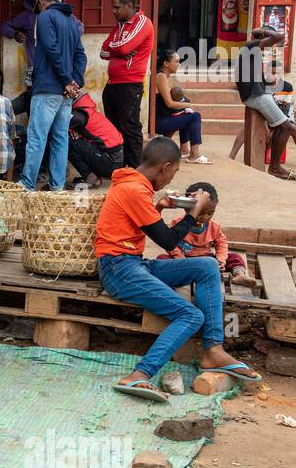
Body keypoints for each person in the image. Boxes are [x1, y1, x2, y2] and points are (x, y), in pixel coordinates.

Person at [95, 137, 262, 402]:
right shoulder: (135, 190)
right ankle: (140, 374)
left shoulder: (135, 184)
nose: (172, 179)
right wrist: (193, 212)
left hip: (134, 263)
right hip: (119, 269)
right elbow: (169, 241)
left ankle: (213, 349)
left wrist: (160, 206)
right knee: (191, 315)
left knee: (207, 265)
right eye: (174, 172)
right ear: (165, 166)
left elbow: (138, 222)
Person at [233, 27, 296, 180]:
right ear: (262, 39)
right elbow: (278, 36)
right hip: (256, 96)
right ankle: (275, 167)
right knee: (287, 127)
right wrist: (264, 31)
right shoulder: (251, 46)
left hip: (258, 94)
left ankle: (276, 166)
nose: (269, 48)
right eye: (268, 43)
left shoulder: (251, 50)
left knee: (284, 127)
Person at [21, 0, 84, 191]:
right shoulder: (73, 22)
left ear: (41, 3)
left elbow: (50, 48)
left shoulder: (46, 16)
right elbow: (80, 55)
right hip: (66, 94)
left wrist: (66, 80)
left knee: (37, 137)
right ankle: (57, 186)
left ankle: (27, 184)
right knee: (60, 138)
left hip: (48, 88)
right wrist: (75, 82)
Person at [157, 181, 260, 291]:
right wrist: (180, 259)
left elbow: (221, 243)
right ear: (187, 209)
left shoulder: (214, 226)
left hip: (207, 260)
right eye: (200, 213)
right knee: (162, 259)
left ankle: (239, 275)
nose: (205, 217)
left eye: (210, 213)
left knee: (234, 257)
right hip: (184, 260)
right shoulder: (178, 224)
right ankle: (174, 279)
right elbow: (171, 245)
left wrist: (221, 260)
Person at [100, 0, 155, 169]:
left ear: (129, 5)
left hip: (130, 85)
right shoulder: (119, 26)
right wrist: (119, 52)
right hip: (113, 84)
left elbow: (120, 47)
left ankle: (134, 170)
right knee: (114, 129)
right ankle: (120, 167)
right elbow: (103, 51)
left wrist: (117, 49)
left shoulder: (143, 22)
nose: (113, 11)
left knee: (130, 128)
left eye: (116, 7)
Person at [152, 48, 210, 164]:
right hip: (159, 123)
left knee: (187, 113)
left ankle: (184, 150)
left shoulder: (164, 76)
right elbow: (170, 103)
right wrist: (189, 104)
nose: (179, 64)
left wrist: (185, 106)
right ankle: (194, 154)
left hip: (162, 119)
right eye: (177, 61)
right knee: (195, 116)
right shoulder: (161, 76)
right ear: (166, 63)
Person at [67, 91, 123, 188]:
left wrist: (69, 128)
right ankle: (91, 175)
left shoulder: (80, 114)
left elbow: (55, 125)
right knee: (70, 138)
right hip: (113, 159)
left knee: (66, 141)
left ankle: (91, 178)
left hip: (110, 161)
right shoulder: (86, 110)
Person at [0, 0, 50, 83]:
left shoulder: (62, 16)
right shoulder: (27, 16)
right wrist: (15, 34)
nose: (39, 4)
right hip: (35, 67)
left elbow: (80, 27)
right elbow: (4, 26)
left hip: (56, 66)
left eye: (42, 0)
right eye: (36, 0)